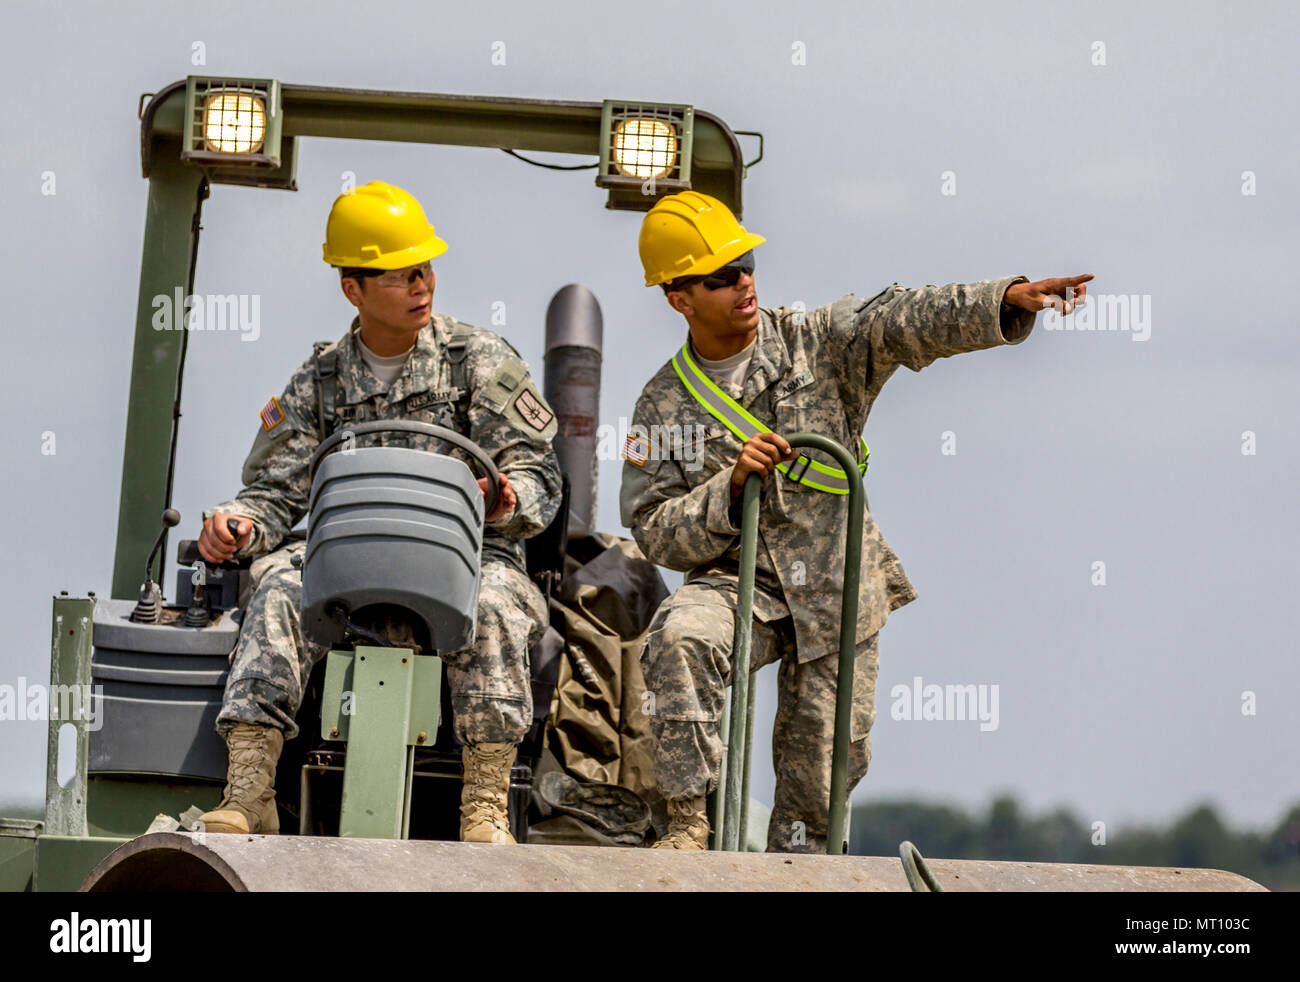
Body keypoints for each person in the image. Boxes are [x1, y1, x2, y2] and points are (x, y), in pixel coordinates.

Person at [620, 190, 1092, 851]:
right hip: (739, 582)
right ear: (680, 298)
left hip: (837, 587)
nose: (745, 283)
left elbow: (904, 314)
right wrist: (726, 493)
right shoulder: (663, 405)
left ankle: (804, 867)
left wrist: (1002, 300)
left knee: (818, 783)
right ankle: (688, 826)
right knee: (679, 637)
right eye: (723, 276)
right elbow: (652, 527)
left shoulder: (820, 341)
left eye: (748, 263)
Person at [194, 181, 561, 843]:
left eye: (425, 268)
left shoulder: (479, 364)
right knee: (277, 586)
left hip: (467, 565)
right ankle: (249, 794)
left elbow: (538, 479)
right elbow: (274, 495)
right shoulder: (320, 383)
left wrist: (506, 500)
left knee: (501, 604)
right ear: (353, 289)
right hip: (347, 571)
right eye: (400, 274)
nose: (422, 284)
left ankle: (483, 806)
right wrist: (236, 524)